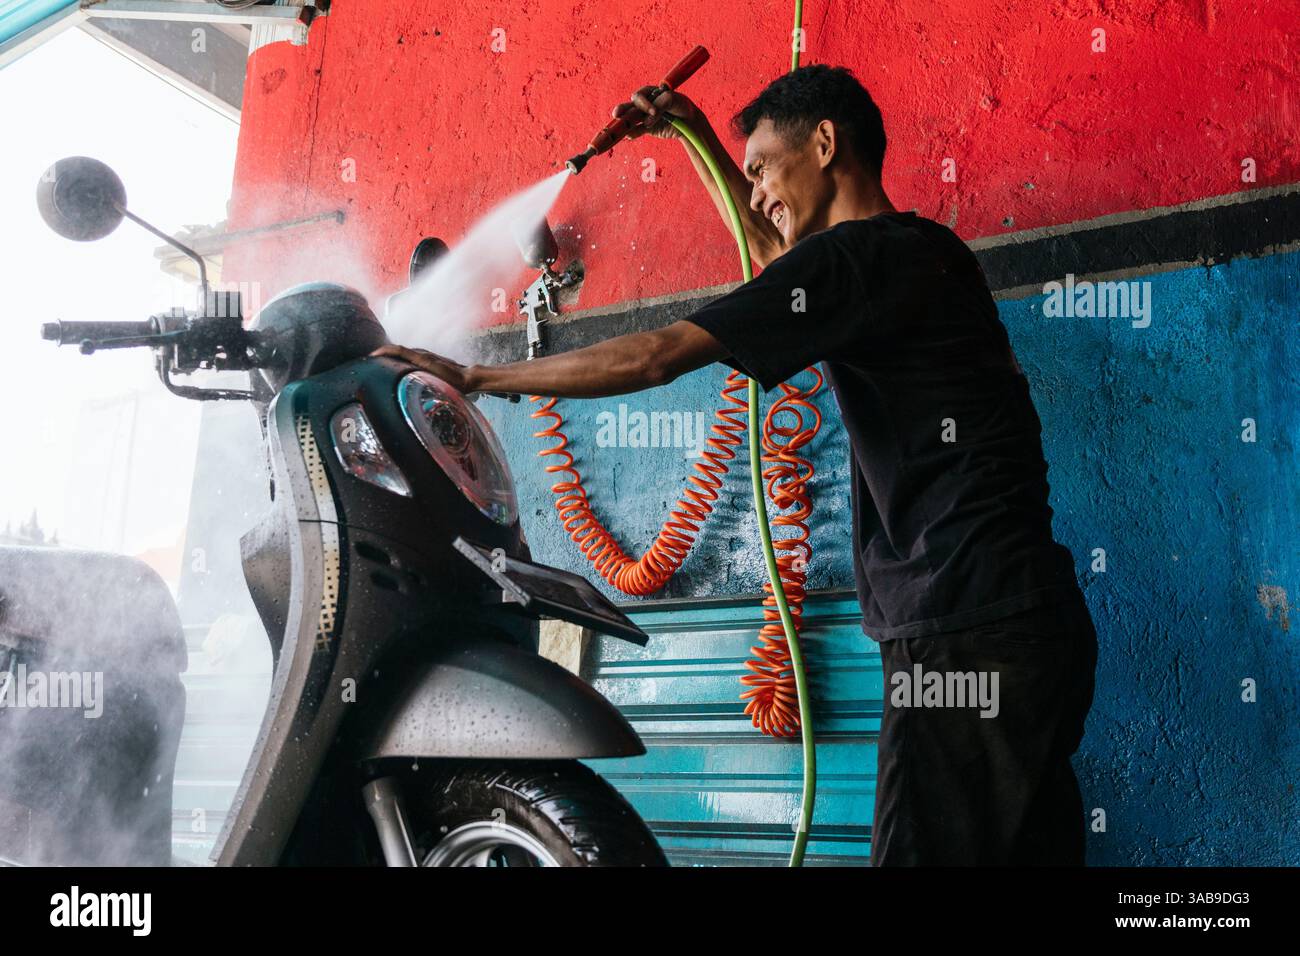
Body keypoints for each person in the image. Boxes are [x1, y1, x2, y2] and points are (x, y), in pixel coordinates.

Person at [375, 65, 1098, 866]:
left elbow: (658, 355)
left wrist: (477, 375)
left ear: (825, 143)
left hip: (962, 631)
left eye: (761, 169)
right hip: (1028, 623)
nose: (755, 193)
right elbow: (776, 262)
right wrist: (693, 135)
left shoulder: (854, 260)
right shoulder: (921, 251)